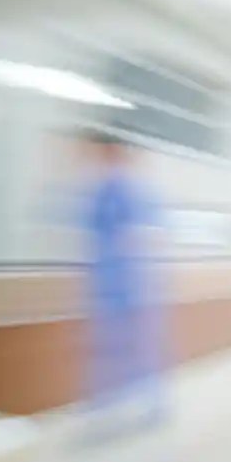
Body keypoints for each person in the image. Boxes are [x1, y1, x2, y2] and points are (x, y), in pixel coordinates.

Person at [79, 130, 168, 439]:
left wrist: (127, 255)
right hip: (111, 283)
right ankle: (111, 407)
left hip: (131, 284)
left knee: (135, 346)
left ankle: (149, 405)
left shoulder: (130, 190)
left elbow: (143, 234)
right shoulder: (103, 190)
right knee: (111, 347)